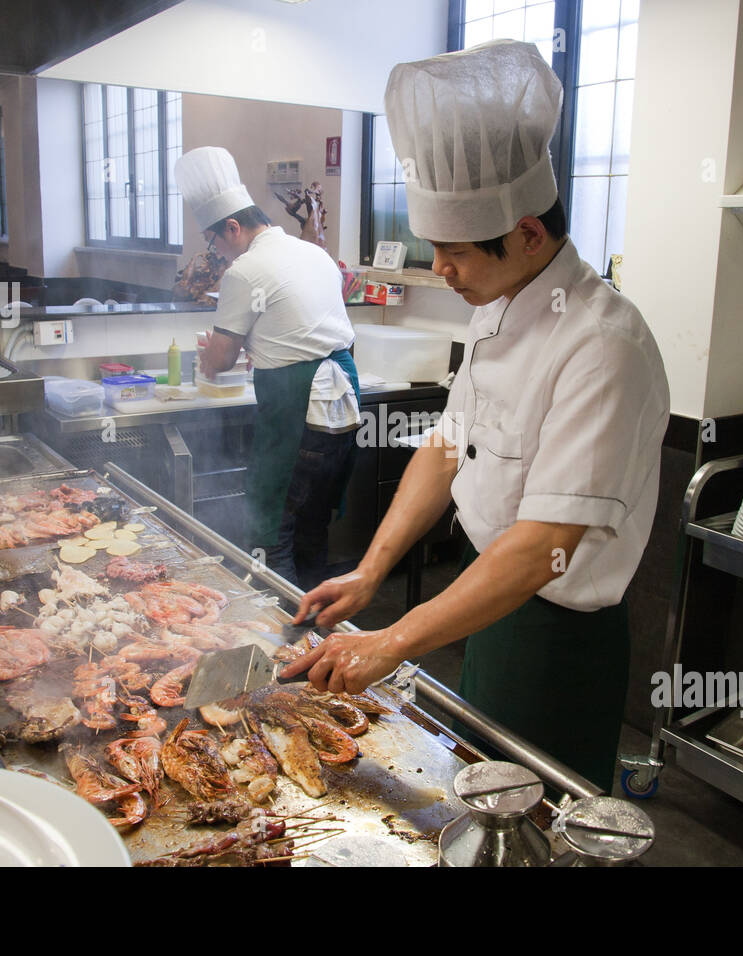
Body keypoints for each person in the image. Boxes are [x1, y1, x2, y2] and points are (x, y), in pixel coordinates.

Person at [280, 40, 671, 791]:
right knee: (476, 799)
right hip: (484, 599)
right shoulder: (497, 306)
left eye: (453, 251)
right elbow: (448, 444)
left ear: (528, 233)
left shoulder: (603, 346)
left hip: (556, 639)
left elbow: (543, 546)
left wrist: (395, 640)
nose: (439, 269)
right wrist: (370, 570)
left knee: (537, 818)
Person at [174, 146, 360, 590]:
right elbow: (302, 328)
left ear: (232, 228)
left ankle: (284, 628)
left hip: (299, 417)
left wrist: (208, 356)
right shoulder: (314, 253)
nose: (217, 253)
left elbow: (220, 362)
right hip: (345, 409)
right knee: (312, 530)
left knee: (270, 536)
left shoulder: (245, 271)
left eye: (214, 242)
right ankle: (317, 626)